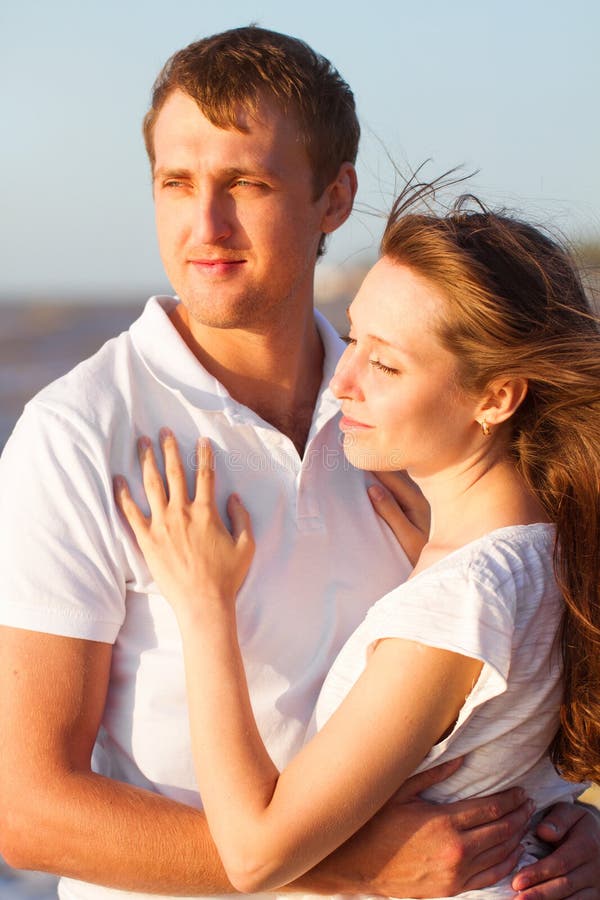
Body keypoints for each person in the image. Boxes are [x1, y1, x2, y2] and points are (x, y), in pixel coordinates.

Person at [0, 25, 597, 900]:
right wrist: (348, 864)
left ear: (333, 196)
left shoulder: (407, 423)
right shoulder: (80, 434)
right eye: (176, 183)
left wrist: (562, 828)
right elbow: (25, 809)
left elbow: (500, 687)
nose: (206, 224)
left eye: (246, 182)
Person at [115, 188, 600, 898]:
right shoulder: (550, 552)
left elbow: (254, 855)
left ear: (497, 397)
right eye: (352, 339)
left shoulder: (457, 606)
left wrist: (203, 607)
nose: (341, 382)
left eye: (387, 365)